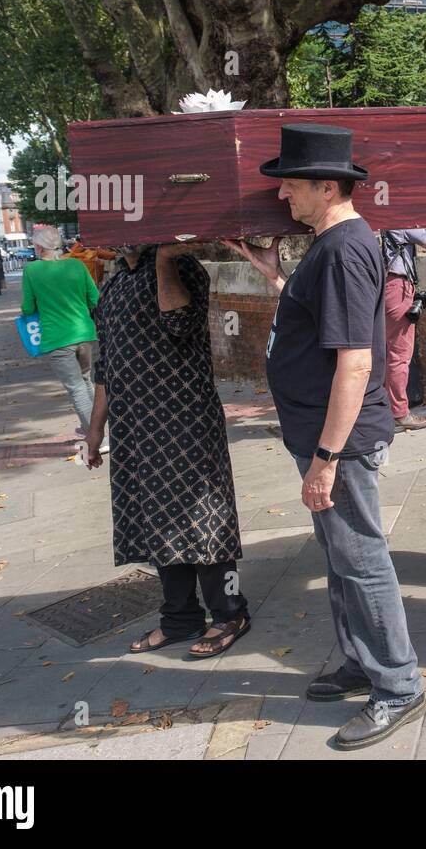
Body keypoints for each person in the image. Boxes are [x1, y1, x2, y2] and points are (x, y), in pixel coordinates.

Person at [227, 123, 425, 748]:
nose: (281, 194)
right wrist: (273, 276)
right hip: (318, 433)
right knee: (341, 556)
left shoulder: (342, 247)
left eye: (289, 183)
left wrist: (327, 459)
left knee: (361, 559)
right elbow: (322, 315)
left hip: (337, 439)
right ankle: (360, 662)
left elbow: (357, 361)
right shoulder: (332, 244)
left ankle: (398, 685)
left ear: (326, 185)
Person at [85, 242, 250, 660]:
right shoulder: (115, 280)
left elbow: (180, 323)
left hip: (184, 418)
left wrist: (162, 261)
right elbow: (106, 363)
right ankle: (179, 617)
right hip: (135, 428)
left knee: (204, 517)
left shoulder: (183, 267)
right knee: (156, 521)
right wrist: (95, 430)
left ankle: (230, 613)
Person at [21, 225, 100, 439]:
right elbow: (95, 299)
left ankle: (96, 435)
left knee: (76, 387)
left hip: (57, 337)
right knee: (86, 381)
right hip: (84, 333)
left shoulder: (32, 271)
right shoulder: (76, 265)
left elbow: (27, 308)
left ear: (38, 247)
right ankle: (94, 428)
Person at [380, 227, 426, 432]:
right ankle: (398, 413)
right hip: (396, 285)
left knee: (378, 352)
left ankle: (380, 411)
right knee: (399, 354)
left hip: (374, 286)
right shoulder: (398, 217)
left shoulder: (371, 215)